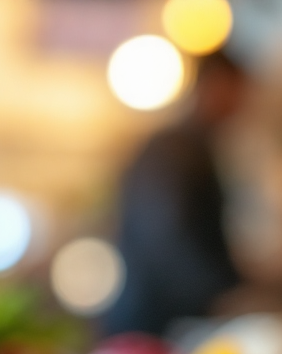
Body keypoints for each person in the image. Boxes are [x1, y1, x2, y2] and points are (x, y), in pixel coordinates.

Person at [104, 52, 247, 335]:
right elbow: (169, 238)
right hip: (153, 323)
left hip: (174, 317)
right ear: (211, 86)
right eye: (236, 92)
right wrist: (223, 296)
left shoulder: (193, 149)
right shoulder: (171, 152)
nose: (240, 106)